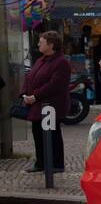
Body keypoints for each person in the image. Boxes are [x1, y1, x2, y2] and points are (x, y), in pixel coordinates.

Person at [20, 30, 71, 174]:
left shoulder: (61, 62)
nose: (38, 44)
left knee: (52, 134)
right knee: (38, 133)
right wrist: (25, 94)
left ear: (51, 45)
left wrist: (35, 96)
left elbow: (55, 85)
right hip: (37, 105)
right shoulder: (41, 60)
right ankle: (41, 163)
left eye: (41, 42)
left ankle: (56, 164)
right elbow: (30, 77)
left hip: (51, 106)